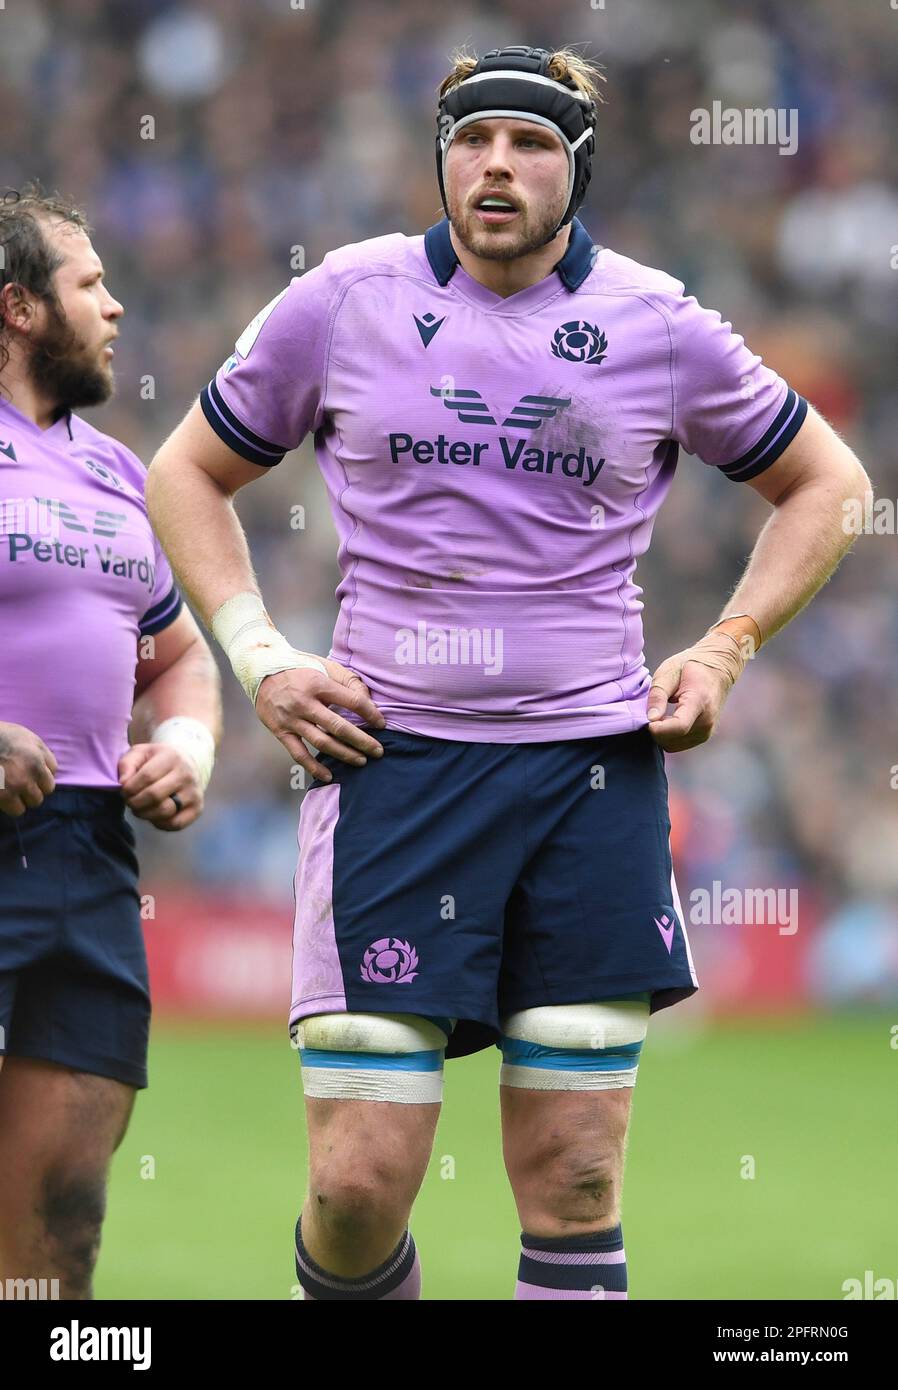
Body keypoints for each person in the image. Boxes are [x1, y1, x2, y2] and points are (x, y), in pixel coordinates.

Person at [146, 46, 869, 1300]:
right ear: (440, 156)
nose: (495, 164)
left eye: (530, 144)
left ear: (577, 166)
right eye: (472, 138)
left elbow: (832, 485)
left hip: (590, 776)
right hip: (392, 768)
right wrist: (260, 659)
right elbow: (184, 471)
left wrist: (723, 647)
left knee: (577, 1176)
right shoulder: (342, 300)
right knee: (358, 1184)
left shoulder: (656, 321)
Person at [0, 184, 222, 1299]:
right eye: (90, 286)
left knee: (64, 1225)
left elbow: (178, 656)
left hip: (88, 856)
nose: (117, 308)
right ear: (20, 308)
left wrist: (185, 743)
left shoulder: (117, 473)